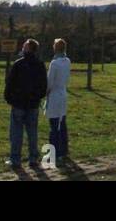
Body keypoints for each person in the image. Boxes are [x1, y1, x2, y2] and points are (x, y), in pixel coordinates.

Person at [4, 38, 47, 169]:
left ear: (28, 48)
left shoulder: (18, 64)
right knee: (32, 132)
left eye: (24, 46)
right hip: (33, 104)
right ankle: (33, 158)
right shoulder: (40, 65)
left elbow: (10, 83)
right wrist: (38, 97)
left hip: (18, 103)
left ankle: (15, 159)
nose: (22, 48)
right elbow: (43, 85)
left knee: (16, 132)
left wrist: (8, 98)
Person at [45, 38, 71, 166]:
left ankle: (54, 153)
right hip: (63, 94)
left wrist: (45, 92)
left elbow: (49, 82)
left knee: (54, 125)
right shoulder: (67, 61)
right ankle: (64, 150)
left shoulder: (54, 63)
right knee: (62, 123)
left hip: (55, 95)